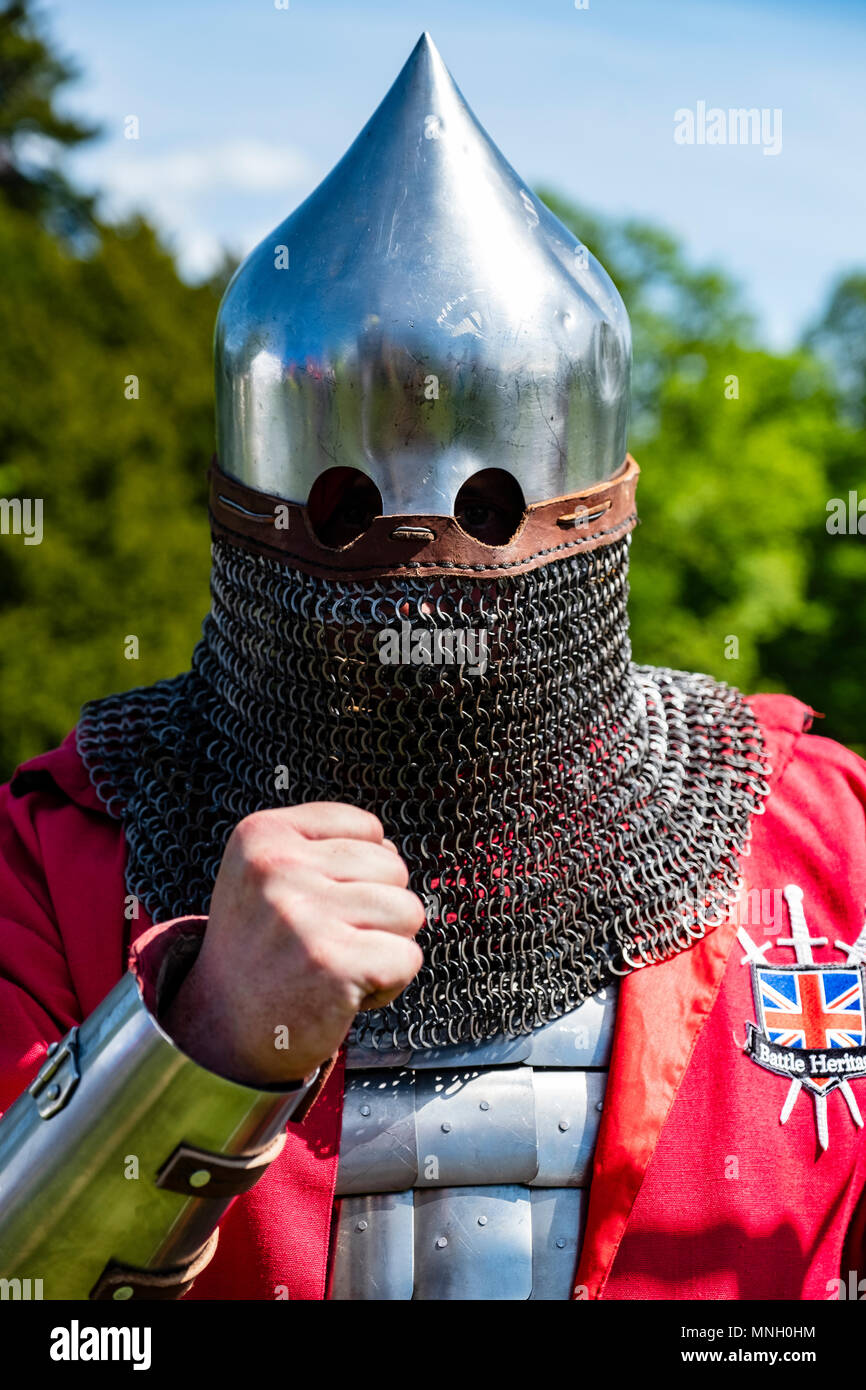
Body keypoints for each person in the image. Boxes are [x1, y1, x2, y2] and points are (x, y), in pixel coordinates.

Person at [1, 33, 865, 1304]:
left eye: (497, 508)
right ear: (248, 516)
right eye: (345, 510)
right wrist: (203, 1032)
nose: (424, 572)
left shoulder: (818, 845)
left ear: (598, 508)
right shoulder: (64, 853)